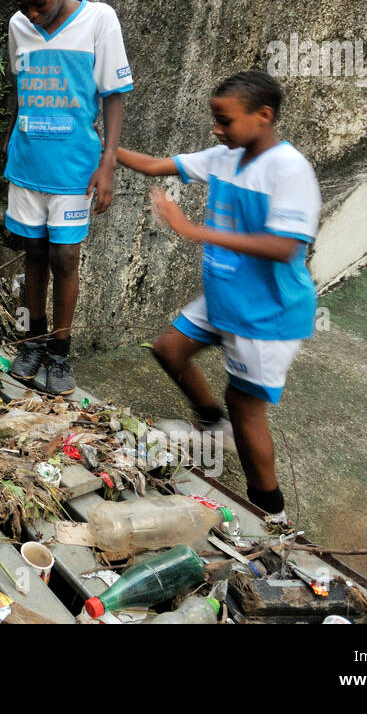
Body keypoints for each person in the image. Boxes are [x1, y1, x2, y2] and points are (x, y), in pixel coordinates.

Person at [116, 70, 321, 526]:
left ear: (263, 116)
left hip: (265, 312)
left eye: (224, 120)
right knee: (169, 349)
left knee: (246, 409)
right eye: (215, 119)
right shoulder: (226, 156)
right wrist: (103, 146)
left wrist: (191, 230)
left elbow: (286, 245)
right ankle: (211, 425)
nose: (217, 129)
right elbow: (153, 165)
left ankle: (271, 515)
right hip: (223, 297)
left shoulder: (289, 170)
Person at [2, 0, 132, 395]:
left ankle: (60, 350)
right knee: (33, 253)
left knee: (65, 257)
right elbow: (23, 86)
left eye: (39, 2)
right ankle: (32, 340)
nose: (32, 14)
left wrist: (109, 161)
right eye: (23, 5)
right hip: (28, 162)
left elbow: (113, 96)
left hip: (75, 166)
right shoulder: (19, 26)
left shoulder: (99, 20)